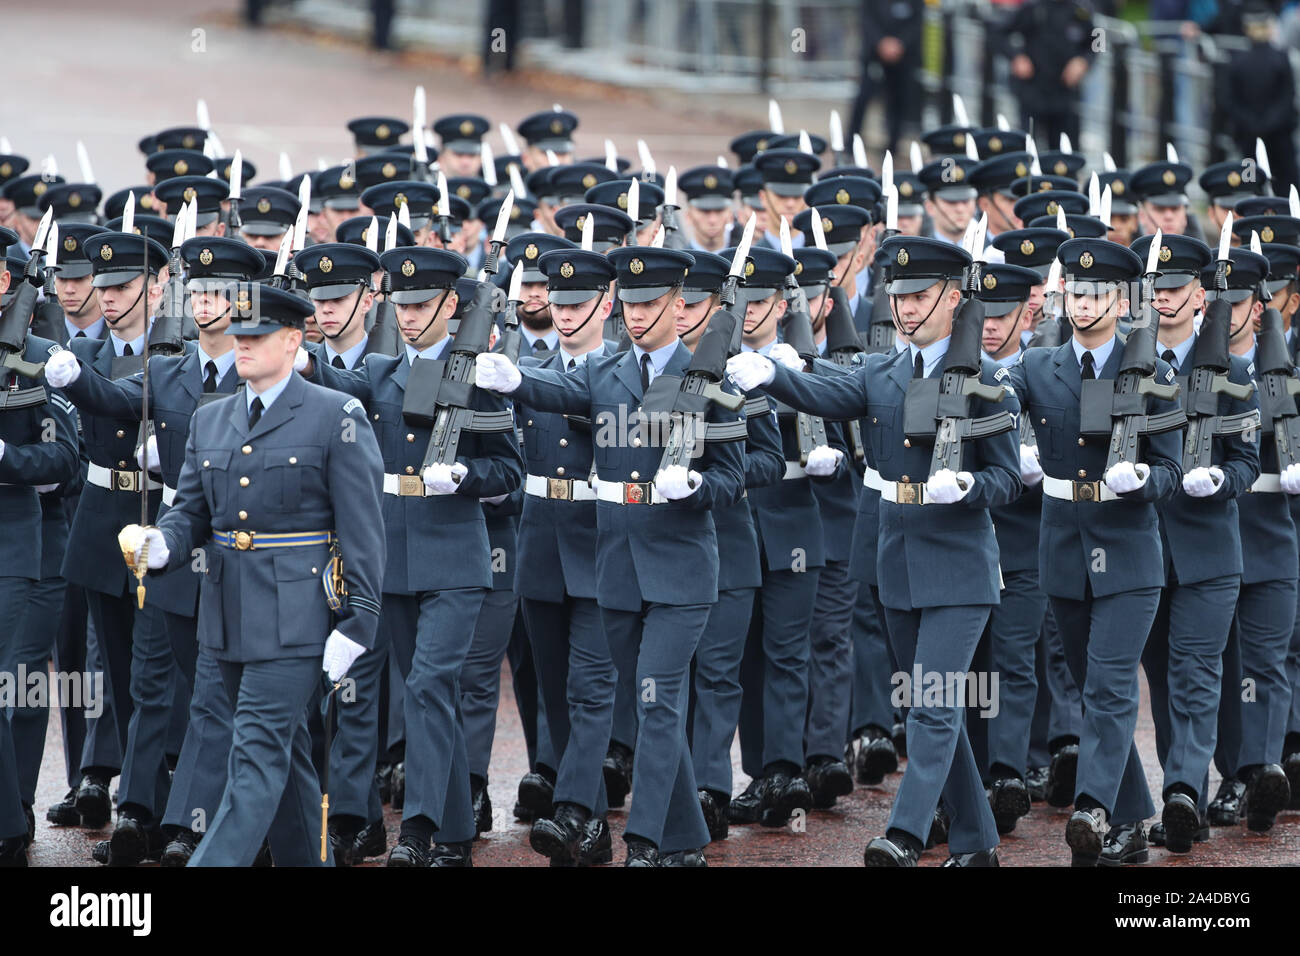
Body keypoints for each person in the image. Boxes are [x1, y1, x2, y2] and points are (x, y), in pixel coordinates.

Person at [728, 235, 1022, 866]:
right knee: (928, 702)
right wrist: (775, 374)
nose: (907, 308)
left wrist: (968, 484)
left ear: (953, 295)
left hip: (962, 565)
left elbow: (1005, 478)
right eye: (900, 295)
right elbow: (825, 395)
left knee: (936, 704)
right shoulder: (883, 368)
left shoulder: (989, 379)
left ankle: (907, 834)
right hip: (897, 560)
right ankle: (977, 845)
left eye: (920, 295)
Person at [474, 246, 748, 866]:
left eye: (654, 301)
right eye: (633, 301)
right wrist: (516, 380)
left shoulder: (710, 375)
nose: (642, 312)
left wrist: (701, 487)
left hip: (680, 571)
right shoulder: (608, 372)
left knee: (655, 701)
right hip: (617, 570)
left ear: (680, 305)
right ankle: (685, 843)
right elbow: (559, 389)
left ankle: (646, 842)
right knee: (654, 706)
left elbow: (734, 475)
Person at [120, 282, 386, 867]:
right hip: (223, 614)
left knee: (255, 758)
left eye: (257, 336)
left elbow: (363, 527)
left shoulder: (335, 415)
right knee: (286, 756)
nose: (242, 344)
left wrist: (360, 620)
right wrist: (159, 543)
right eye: (239, 335)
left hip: (296, 620)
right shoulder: (210, 421)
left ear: (293, 341)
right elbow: (189, 510)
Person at [303, 245, 523, 867]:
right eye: (400, 303)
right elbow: (333, 383)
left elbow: (510, 467)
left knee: (428, 685)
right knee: (428, 695)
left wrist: (467, 476)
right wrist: (300, 352)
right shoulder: (379, 372)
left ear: (451, 306)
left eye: (422, 304)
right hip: (392, 561)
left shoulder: (476, 373)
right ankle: (455, 831)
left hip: (455, 557)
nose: (408, 314)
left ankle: (420, 831)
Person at [1006, 237, 1183, 866]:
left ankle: (1093, 810)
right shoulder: (1038, 364)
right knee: (1089, 686)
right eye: (1076, 293)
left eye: (1097, 294)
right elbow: (997, 405)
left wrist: (1146, 481)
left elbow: (1173, 467)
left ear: (1121, 299)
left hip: (1130, 548)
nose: (1084, 305)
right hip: (1062, 545)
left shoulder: (1152, 372)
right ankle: (1134, 820)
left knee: (1110, 687)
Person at [512, 247, 622, 866]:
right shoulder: (526, 366)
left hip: (602, 540)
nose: (566, 313)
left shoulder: (620, 372)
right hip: (541, 540)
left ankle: (575, 807)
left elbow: (583, 399)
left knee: (590, 687)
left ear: (605, 304)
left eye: (578, 303)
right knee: (553, 688)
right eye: (558, 303)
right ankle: (595, 829)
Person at [0, 225, 81, 866]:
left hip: (23, 542)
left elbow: (62, 459)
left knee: (18, 686)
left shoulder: (37, 354)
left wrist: (5, 456)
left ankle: (13, 813)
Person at [1000, 0, 1095, 147]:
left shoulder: (1080, 10)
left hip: (1065, 95)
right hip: (1033, 92)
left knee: (1064, 158)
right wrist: (1016, 57)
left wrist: (1084, 61)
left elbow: (1099, 38)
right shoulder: (1032, 8)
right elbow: (998, 32)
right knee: (1028, 150)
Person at [849, 0, 922, 157]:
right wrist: (881, 43)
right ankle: (851, 143)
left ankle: (892, 147)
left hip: (903, 58)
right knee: (863, 97)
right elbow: (866, 19)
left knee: (898, 102)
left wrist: (900, 45)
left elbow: (917, 23)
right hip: (874, 55)